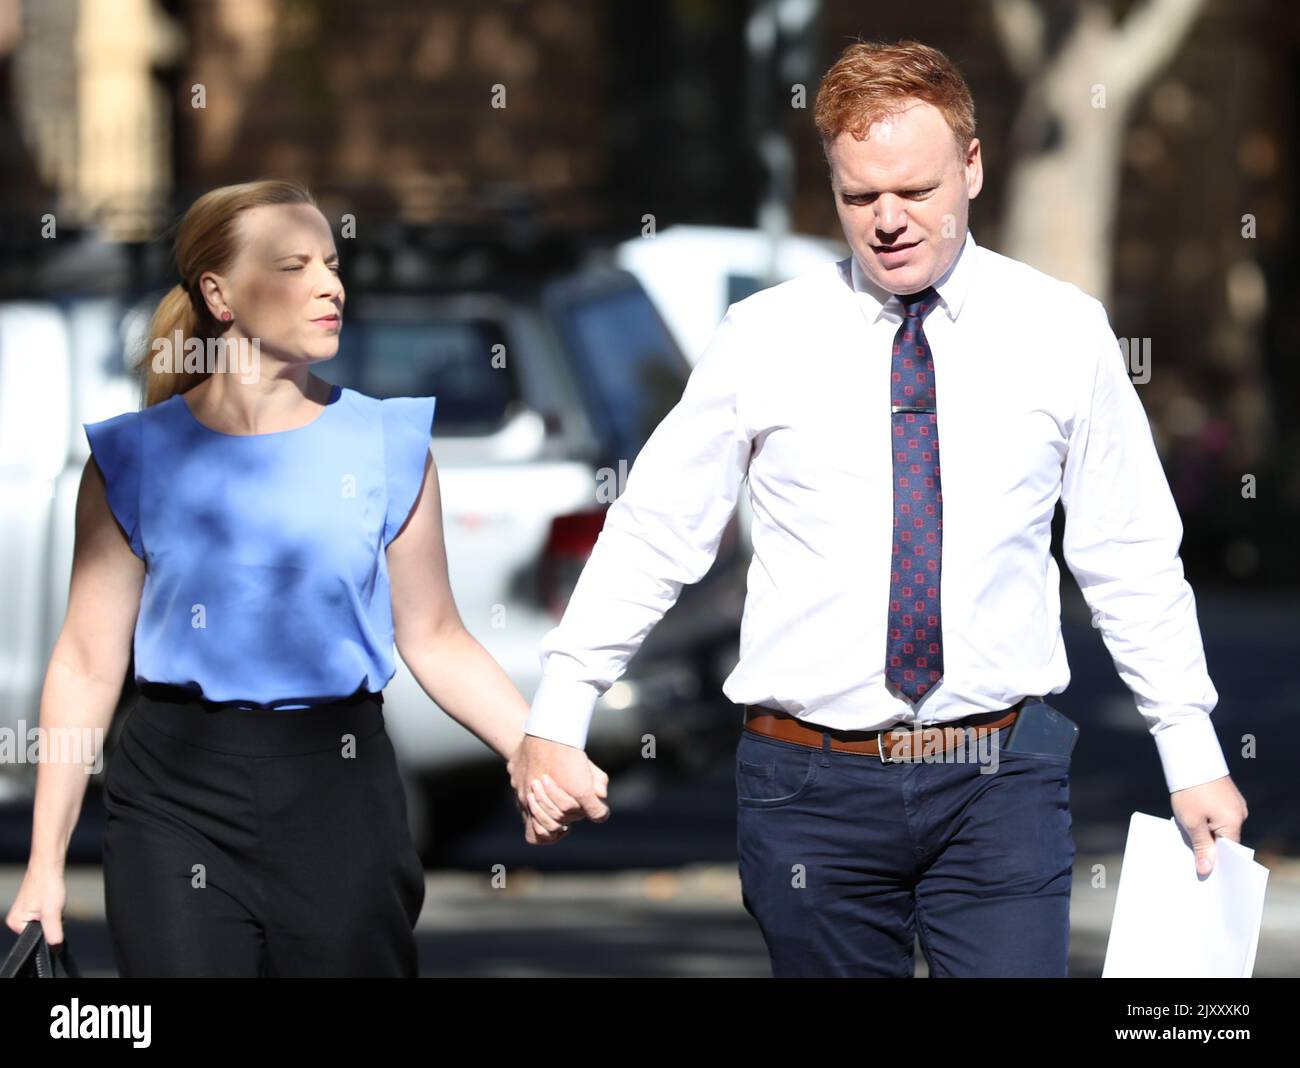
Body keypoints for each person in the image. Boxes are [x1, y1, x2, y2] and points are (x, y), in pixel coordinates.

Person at [513, 40, 1249, 977]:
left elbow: (1127, 549)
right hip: (808, 787)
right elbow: (658, 527)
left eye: (916, 191)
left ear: (972, 167)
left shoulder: (1061, 331)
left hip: (999, 780)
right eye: (861, 199)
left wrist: (1191, 749)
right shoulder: (767, 337)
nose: (889, 222)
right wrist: (561, 708)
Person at [4, 178, 600, 978]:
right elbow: (83, 662)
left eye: (330, 261)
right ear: (219, 294)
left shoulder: (390, 444)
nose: (329, 284)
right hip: (173, 796)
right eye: (294, 266)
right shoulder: (132, 458)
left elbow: (434, 635)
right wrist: (44, 863)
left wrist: (531, 746)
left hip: (340, 789)